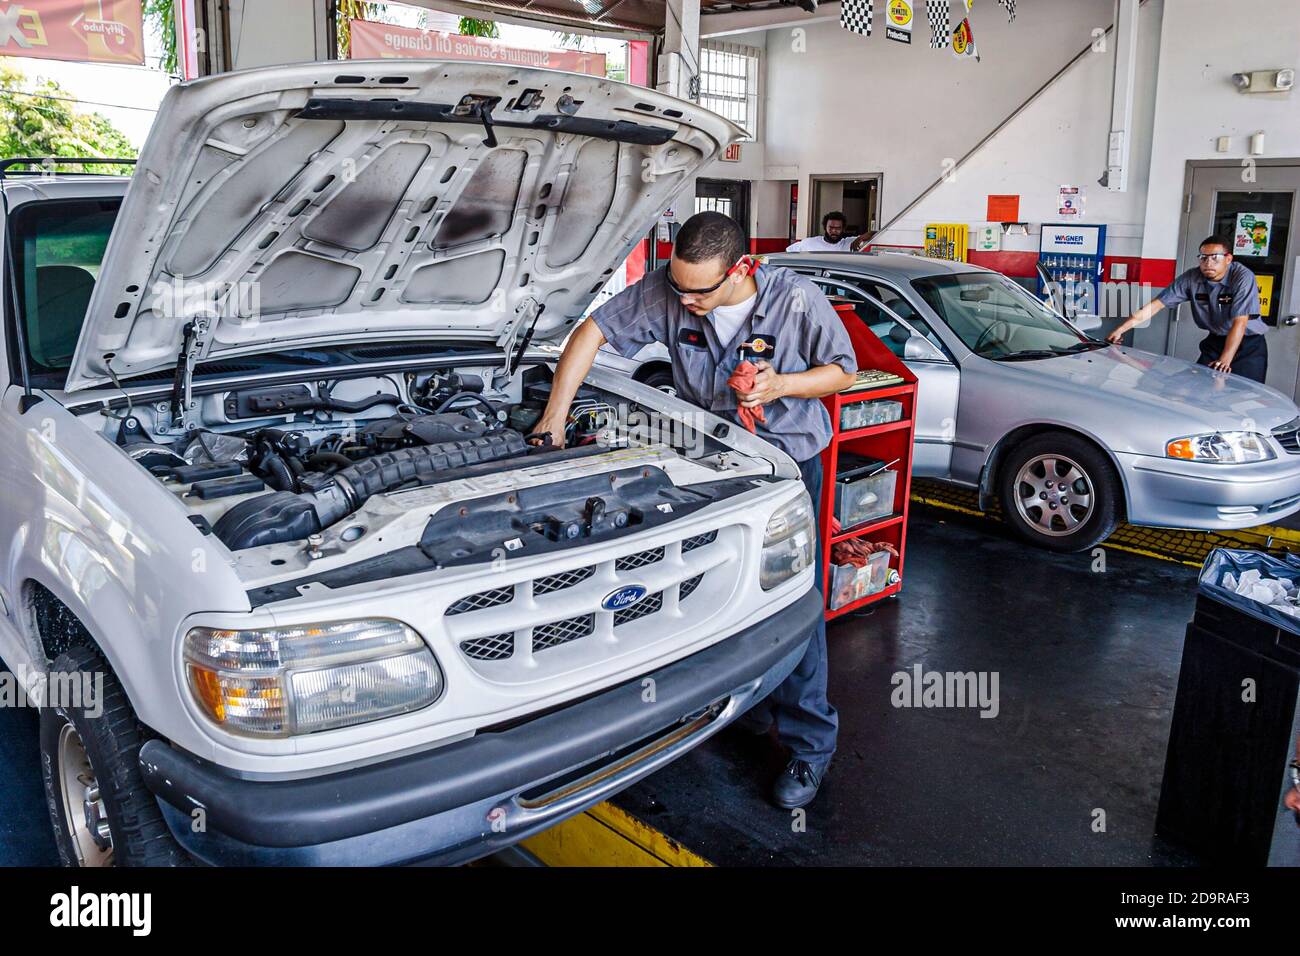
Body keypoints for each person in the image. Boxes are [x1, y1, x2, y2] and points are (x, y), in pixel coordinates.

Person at [532, 211, 858, 809]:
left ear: (740, 268)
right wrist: (553, 420)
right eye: (677, 288)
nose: (684, 300)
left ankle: (812, 747)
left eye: (698, 291)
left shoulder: (795, 299)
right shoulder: (670, 287)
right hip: (708, 468)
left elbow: (842, 370)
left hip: (783, 471)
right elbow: (590, 334)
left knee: (790, 601)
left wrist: (780, 386)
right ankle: (743, 705)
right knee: (709, 594)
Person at [1106, 236, 1268, 383]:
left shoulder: (1242, 277)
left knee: (1244, 393)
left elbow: (1240, 322)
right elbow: (1156, 305)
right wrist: (1121, 329)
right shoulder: (1192, 277)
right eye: (1203, 258)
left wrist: (1224, 361)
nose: (1208, 263)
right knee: (1200, 387)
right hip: (1216, 341)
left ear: (1228, 259)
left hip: (1248, 345)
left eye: (1215, 258)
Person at [786, 211, 873, 253]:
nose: (834, 231)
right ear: (825, 227)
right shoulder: (809, 243)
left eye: (838, 228)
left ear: (843, 229)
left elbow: (877, 234)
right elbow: (788, 252)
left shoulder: (851, 243)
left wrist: (860, 238)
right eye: (831, 227)